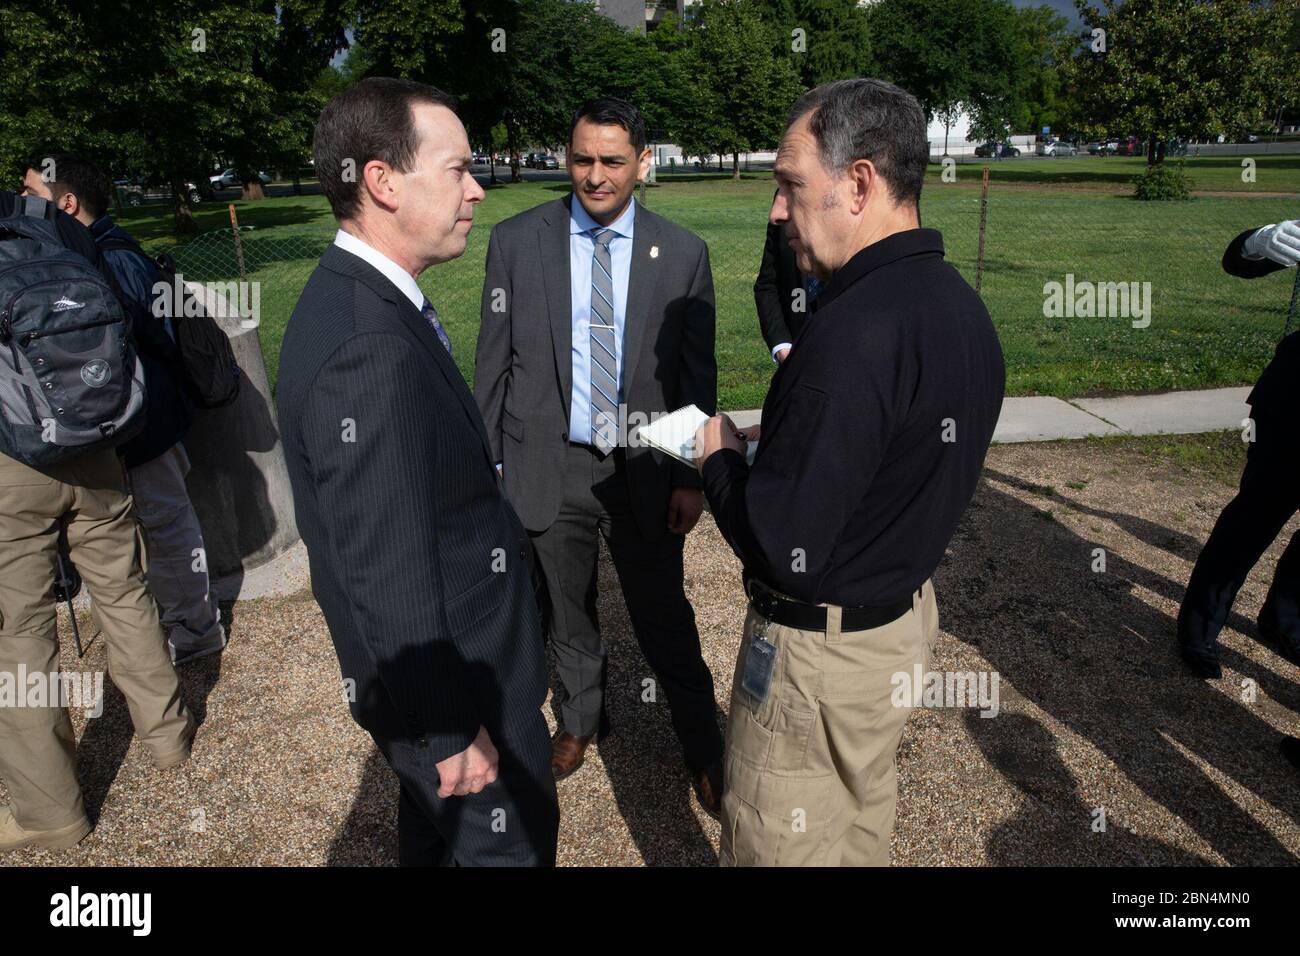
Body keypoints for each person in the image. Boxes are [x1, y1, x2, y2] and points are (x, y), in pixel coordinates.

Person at [695, 78, 1005, 865]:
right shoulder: (962, 309)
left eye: (790, 184)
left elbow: (779, 543)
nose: (775, 210)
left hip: (819, 660)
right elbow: (893, 456)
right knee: (861, 830)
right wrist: (806, 439)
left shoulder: (848, 332)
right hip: (897, 634)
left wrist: (721, 459)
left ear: (859, 182)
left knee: (782, 843)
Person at [277, 77, 558, 866]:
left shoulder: (364, 301)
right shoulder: (367, 345)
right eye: (459, 169)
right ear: (382, 181)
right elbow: (382, 561)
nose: (476, 191)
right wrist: (445, 730)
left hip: (452, 679)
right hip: (458, 696)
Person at [474, 96, 725, 815]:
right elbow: (492, 368)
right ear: (566, 155)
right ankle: (580, 720)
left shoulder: (682, 254)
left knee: (663, 619)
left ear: (644, 164)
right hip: (549, 466)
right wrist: (491, 465)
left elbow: (692, 383)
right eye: (581, 158)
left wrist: (690, 477)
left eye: (612, 161)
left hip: (643, 470)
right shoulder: (518, 242)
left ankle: (704, 747)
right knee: (566, 613)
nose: (594, 175)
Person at [0, 189, 195, 853]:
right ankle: (167, 737)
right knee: (123, 587)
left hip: (11, 464)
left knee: (21, 633)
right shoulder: (46, 222)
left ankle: (51, 813)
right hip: (94, 443)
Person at [20, 154, 226, 666]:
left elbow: (153, 339)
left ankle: (198, 631)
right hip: (130, 428)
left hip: (146, 428)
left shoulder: (112, 260)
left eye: (29, 193)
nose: (20, 203)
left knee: (166, 526)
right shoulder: (91, 254)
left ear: (66, 203)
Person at [1178, 220, 1300, 684]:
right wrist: (1258, 241)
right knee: (1251, 523)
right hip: (1295, 409)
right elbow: (1239, 264)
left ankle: (1283, 619)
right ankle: (1199, 629)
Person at [754, 207, 819, 364]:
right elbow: (767, 284)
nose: (775, 214)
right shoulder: (783, 207)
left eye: (792, 186)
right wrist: (781, 345)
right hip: (797, 360)